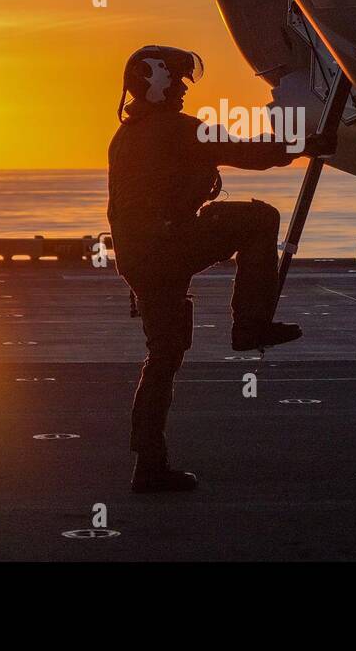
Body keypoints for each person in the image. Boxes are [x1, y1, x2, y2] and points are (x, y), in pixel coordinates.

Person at [107, 45, 335, 493]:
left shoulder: (131, 135)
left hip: (142, 261)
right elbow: (246, 152)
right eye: (178, 82)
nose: (183, 92)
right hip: (164, 251)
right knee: (260, 219)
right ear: (159, 82)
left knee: (163, 358)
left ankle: (148, 465)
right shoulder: (173, 129)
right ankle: (250, 324)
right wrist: (307, 145)